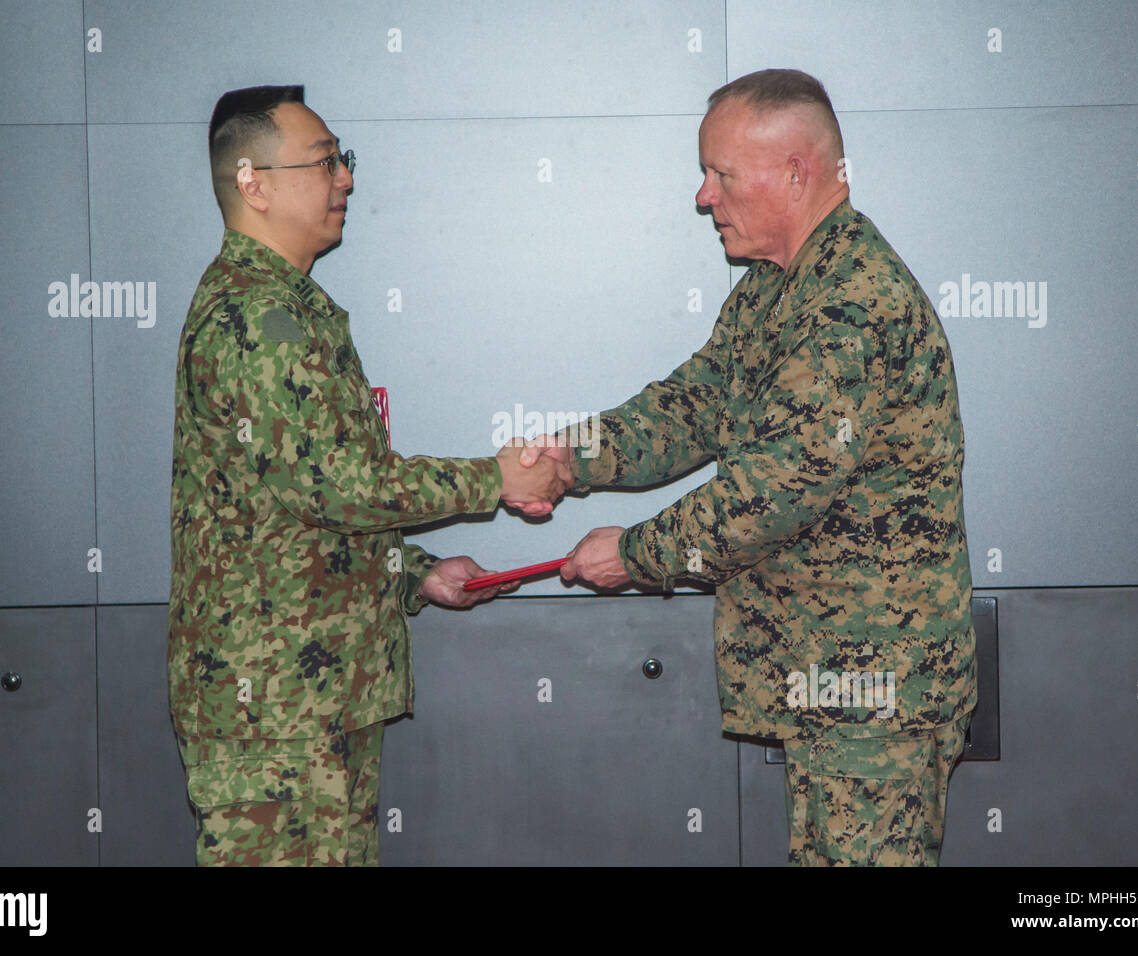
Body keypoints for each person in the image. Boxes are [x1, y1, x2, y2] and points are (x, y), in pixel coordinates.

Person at [518, 69, 976, 866]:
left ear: (794, 173)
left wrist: (634, 556)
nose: (704, 197)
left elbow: (773, 492)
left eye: (721, 175)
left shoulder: (852, 302)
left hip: (872, 690)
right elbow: (693, 406)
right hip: (830, 683)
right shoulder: (776, 289)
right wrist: (570, 457)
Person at [169, 85, 570, 866]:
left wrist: (411, 572)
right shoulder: (253, 317)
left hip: (316, 696)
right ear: (253, 182)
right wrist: (494, 479)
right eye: (325, 162)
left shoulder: (291, 307)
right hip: (272, 711)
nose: (345, 178)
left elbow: (294, 513)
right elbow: (340, 486)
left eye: (341, 160)